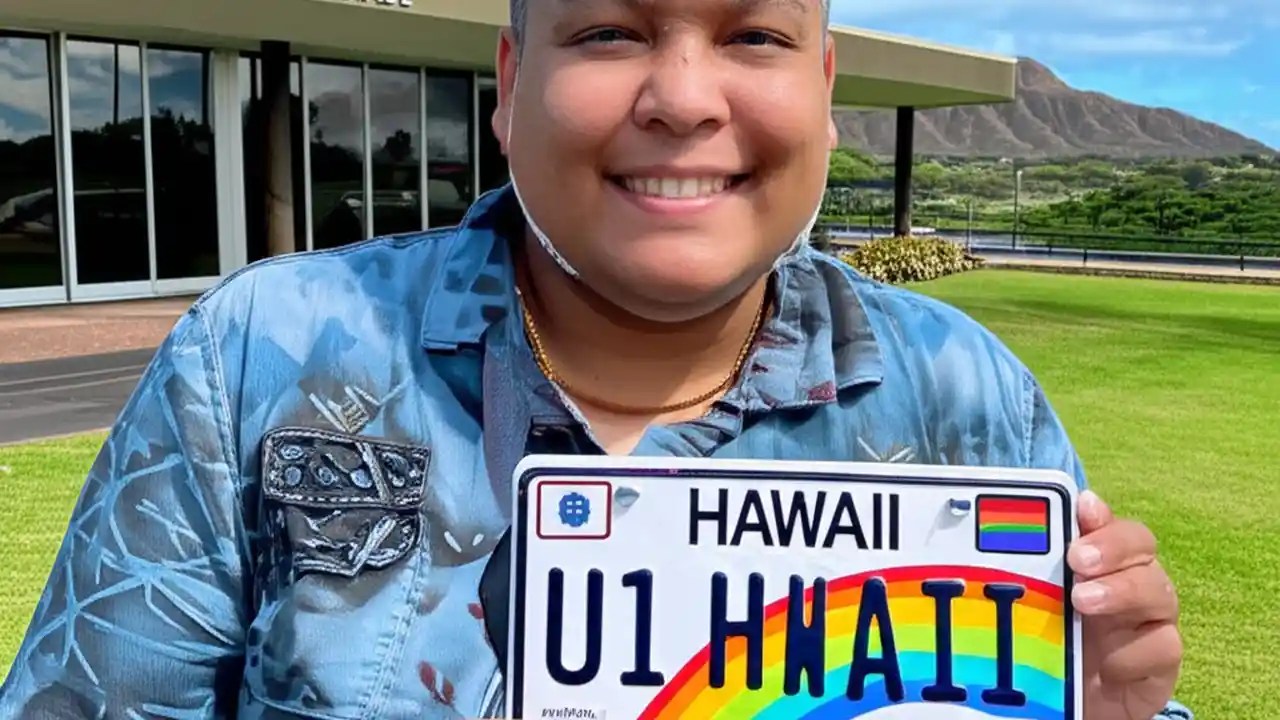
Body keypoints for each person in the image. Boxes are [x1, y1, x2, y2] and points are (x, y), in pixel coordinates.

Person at [0, 1, 1189, 718]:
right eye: (609, 31)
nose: (679, 97)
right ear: (511, 92)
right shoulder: (259, 356)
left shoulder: (963, 397)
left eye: (755, 34)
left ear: (824, 96)